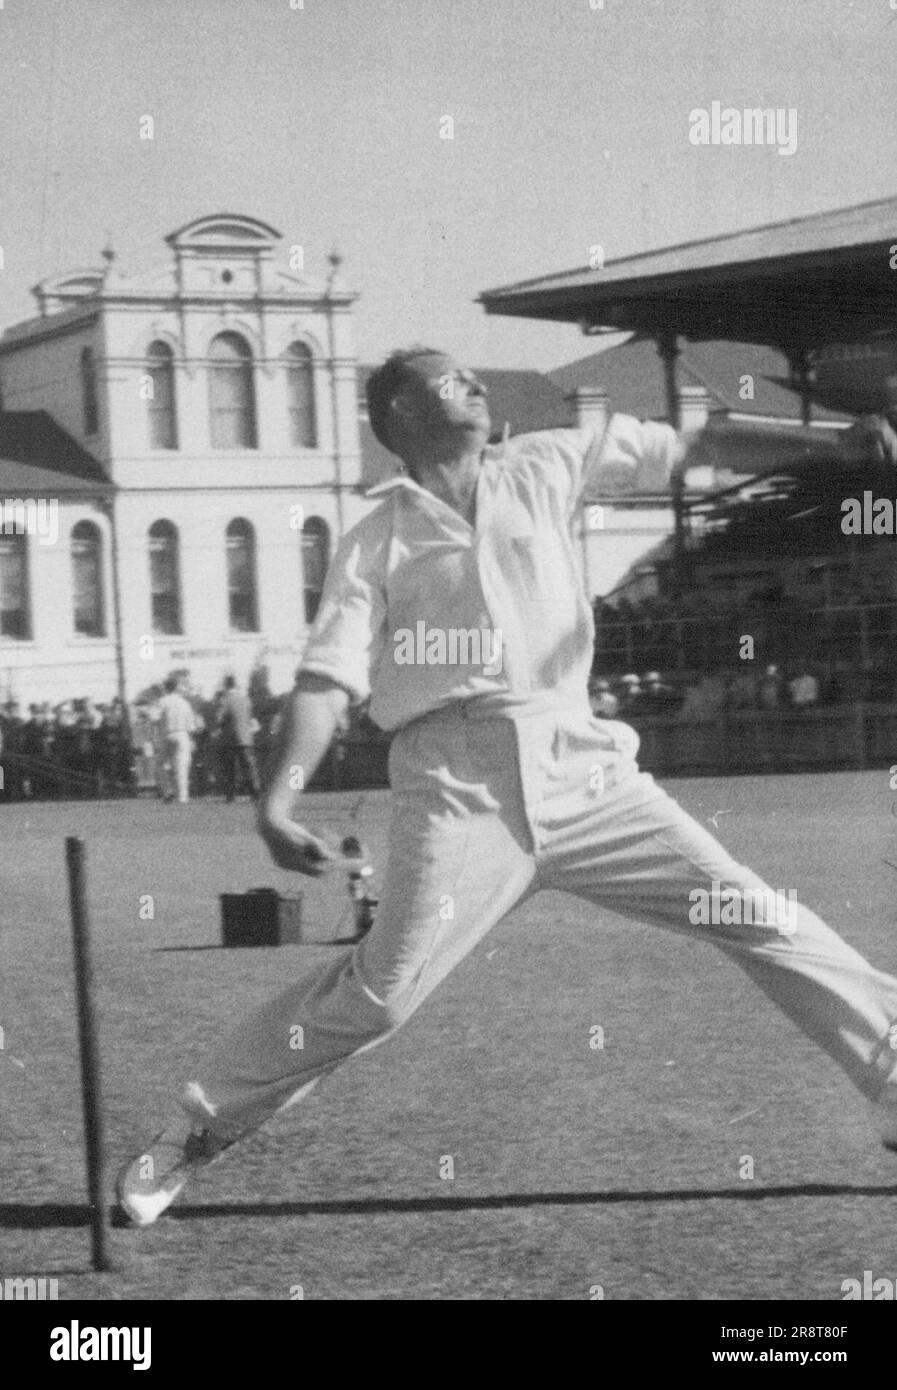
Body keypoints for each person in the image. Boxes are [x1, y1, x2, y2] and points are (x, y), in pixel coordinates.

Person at [118, 345, 897, 1227]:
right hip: (456, 789)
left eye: (473, 374)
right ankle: (198, 1130)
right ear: (400, 415)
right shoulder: (377, 536)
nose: (477, 383)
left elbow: (694, 442)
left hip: (586, 769)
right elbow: (326, 680)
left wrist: (826, 448)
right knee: (381, 994)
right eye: (450, 378)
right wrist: (276, 801)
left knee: (750, 911)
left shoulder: (549, 461)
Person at [216, 675, 260, 802]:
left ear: (226, 685)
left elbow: (220, 718)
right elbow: (249, 717)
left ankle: (231, 795)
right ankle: (255, 793)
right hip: (246, 737)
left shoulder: (226, 700)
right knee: (249, 767)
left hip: (230, 739)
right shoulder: (246, 699)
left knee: (230, 769)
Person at [156, 674, 197, 804]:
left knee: (160, 765)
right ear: (176, 688)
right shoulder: (185, 703)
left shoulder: (163, 701)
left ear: (166, 688)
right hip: (182, 734)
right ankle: (183, 797)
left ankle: (168, 791)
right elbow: (191, 726)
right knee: (182, 767)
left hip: (167, 734)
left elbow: (154, 718)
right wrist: (191, 739)